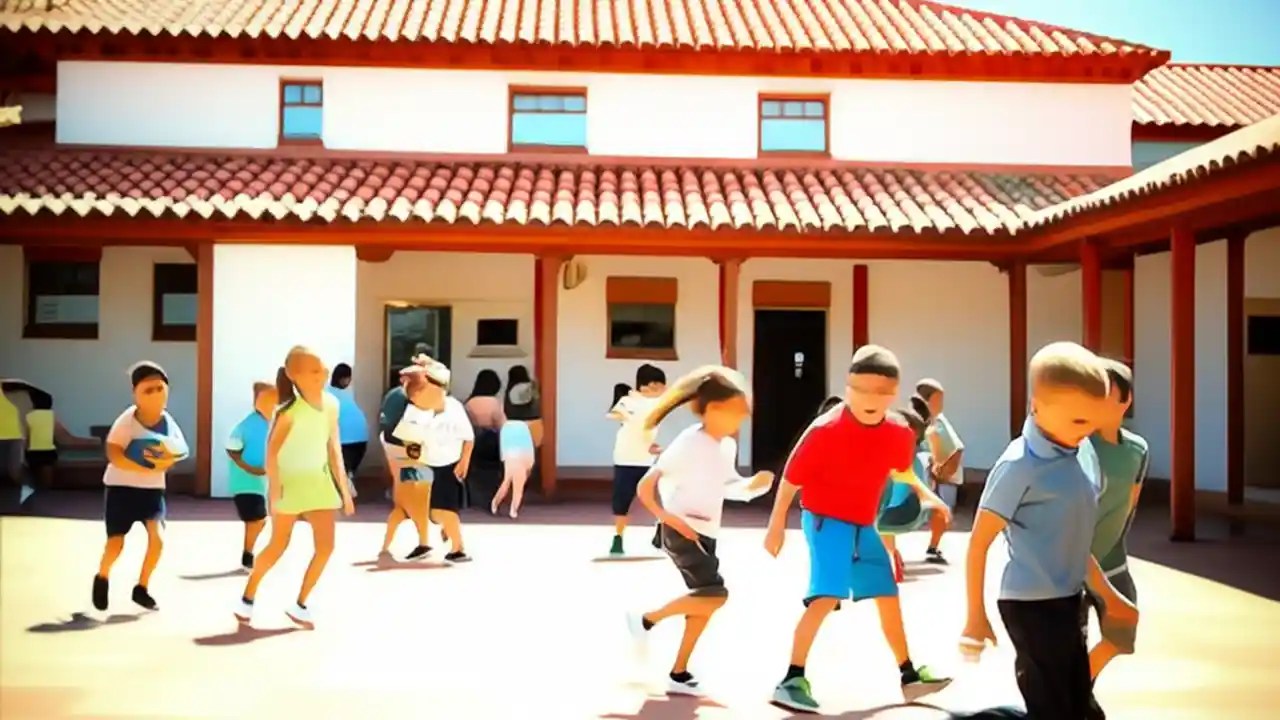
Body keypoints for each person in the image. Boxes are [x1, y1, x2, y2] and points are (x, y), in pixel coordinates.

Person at [765, 345, 952, 714]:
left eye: (881, 392)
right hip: (824, 520)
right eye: (861, 390)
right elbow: (790, 478)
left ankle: (909, 673)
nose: (870, 399)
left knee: (887, 594)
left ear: (894, 394)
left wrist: (929, 496)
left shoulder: (899, 432)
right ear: (847, 388)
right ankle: (790, 678)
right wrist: (776, 526)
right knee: (825, 596)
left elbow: (901, 471)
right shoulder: (825, 430)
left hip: (863, 523)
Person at [961, 342, 1137, 720]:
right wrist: (975, 614)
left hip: (1070, 600)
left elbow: (1076, 542)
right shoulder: (1018, 465)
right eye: (1077, 422)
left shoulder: (1083, 453)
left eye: (1092, 421)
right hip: (1031, 606)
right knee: (1054, 709)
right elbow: (978, 544)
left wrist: (1108, 595)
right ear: (1036, 406)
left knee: (1082, 709)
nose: (1086, 431)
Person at [625, 366, 775, 696]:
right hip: (682, 529)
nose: (740, 422)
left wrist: (753, 486)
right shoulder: (689, 441)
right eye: (735, 413)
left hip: (706, 533)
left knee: (702, 604)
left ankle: (678, 673)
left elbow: (728, 487)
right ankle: (645, 619)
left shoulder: (726, 447)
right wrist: (668, 518)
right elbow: (645, 485)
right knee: (715, 594)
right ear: (711, 409)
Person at [234, 346, 355, 629]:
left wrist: (344, 489)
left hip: (320, 485)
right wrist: (275, 491)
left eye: (323, 369)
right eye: (313, 371)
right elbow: (271, 453)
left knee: (326, 547)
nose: (321, 375)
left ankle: (300, 604)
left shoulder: (331, 405)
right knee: (278, 545)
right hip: (289, 485)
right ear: (293, 375)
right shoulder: (288, 411)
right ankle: (247, 597)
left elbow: (333, 446)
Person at [94, 362, 188, 612]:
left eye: (160, 388)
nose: (156, 394)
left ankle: (142, 588)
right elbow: (113, 452)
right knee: (116, 544)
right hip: (120, 489)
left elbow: (179, 450)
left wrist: (165, 462)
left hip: (152, 491)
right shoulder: (127, 421)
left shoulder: (168, 421)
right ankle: (102, 576)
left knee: (157, 540)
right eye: (148, 390)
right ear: (135, 393)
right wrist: (141, 467)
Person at [1081, 359, 1150, 683]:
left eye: (1105, 392)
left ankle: (1080, 689)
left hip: (1113, 562)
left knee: (1123, 636)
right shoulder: (1078, 447)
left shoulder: (1138, 449)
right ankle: (1076, 700)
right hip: (1072, 568)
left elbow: (1130, 504)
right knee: (1070, 646)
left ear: (1126, 400)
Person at [380, 366, 445, 560]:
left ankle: (390, 545)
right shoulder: (414, 400)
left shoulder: (393, 396)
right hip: (412, 453)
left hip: (397, 451)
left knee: (403, 503)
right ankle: (424, 541)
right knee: (418, 500)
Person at [607, 364, 668, 556]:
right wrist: (627, 414)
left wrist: (652, 446)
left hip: (647, 460)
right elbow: (613, 414)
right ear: (647, 386)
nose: (662, 391)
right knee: (621, 501)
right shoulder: (629, 401)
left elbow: (646, 434)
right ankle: (618, 539)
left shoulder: (658, 405)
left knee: (658, 497)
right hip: (625, 459)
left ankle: (661, 530)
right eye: (659, 387)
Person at [877, 397, 937, 584]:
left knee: (877, 524)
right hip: (902, 505)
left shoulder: (905, 458)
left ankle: (891, 567)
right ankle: (893, 562)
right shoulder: (914, 455)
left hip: (899, 507)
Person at [421, 360, 476, 563]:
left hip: (448, 465)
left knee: (445, 509)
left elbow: (469, 438)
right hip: (426, 463)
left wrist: (464, 463)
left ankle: (458, 548)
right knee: (432, 512)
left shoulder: (454, 408)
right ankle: (448, 529)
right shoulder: (420, 407)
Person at [226, 381, 278, 570]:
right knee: (259, 520)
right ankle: (248, 555)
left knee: (256, 521)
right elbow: (231, 449)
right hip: (244, 482)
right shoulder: (246, 425)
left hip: (259, 483)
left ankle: (248, 554)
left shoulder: (270, 424)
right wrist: (249, 468)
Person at [18, 387, 100, 505]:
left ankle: (31, 496)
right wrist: (91, 442)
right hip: (47, 451)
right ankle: (45, 499)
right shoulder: (51, 416)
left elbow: (25, 437)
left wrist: (22, 453)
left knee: (32, 477)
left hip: (32, 451)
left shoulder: (28, 416)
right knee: (46, 482)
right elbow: (63, 436)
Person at [916, 379, 965, 565]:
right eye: (938, 400)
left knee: (942, 514)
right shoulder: (919, 421)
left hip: (940, 477)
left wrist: (942, 471)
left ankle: (933, 547)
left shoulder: (939, 421)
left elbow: (956, 449)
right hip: (922, 474)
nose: (941, 404)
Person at [328, 363, 368, 498]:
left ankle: (345, 489)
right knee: (345, 468)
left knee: (342, 468)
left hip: (349, 437)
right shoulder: (341, 394)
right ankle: (347, 486)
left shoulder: (330, 393)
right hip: (356, 437)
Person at [493, 416, 535, 519]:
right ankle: (513, 510)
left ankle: (495, 503)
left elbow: (503, 443)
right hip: (523, 454)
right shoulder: (524, 427)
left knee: (506, 482)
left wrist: (503, 457)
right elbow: (529, 444)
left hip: (510, 455)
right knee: (518, 486)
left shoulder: (505, 427)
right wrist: (531, 461)